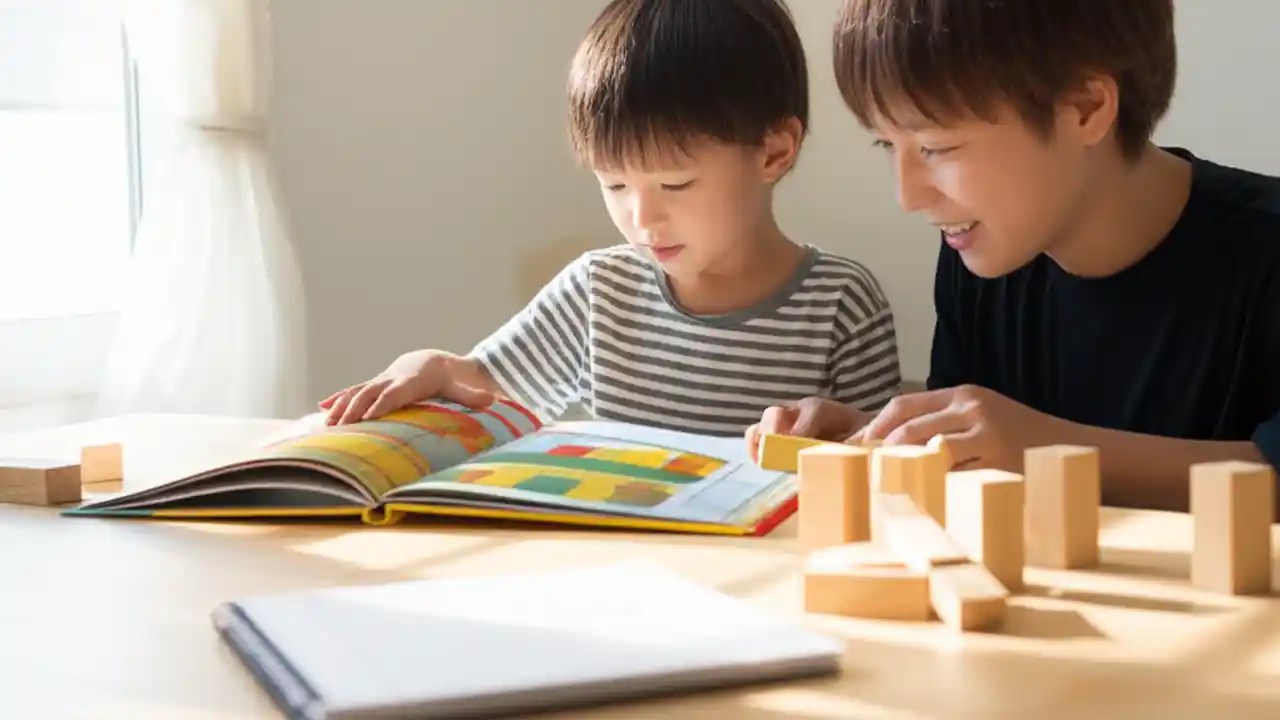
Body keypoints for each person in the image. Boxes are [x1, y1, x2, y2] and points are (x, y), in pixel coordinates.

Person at [748, 0, 1280, 514]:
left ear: (1085, 109)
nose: (907, 196)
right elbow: (985, 454)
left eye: (936, 148)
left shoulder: (1263, 251)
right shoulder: (980, 250)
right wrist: (879, 437)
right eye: (887, 145)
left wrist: (1048, 453)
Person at [321, 0, 901, 438]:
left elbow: (890, 468)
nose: (642, 219)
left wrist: (847, 435)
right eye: (614, 184)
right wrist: (430, 365)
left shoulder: (841, 304)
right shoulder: (600, 290)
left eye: (676, 183)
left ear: (774, 152)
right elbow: (479, 383)